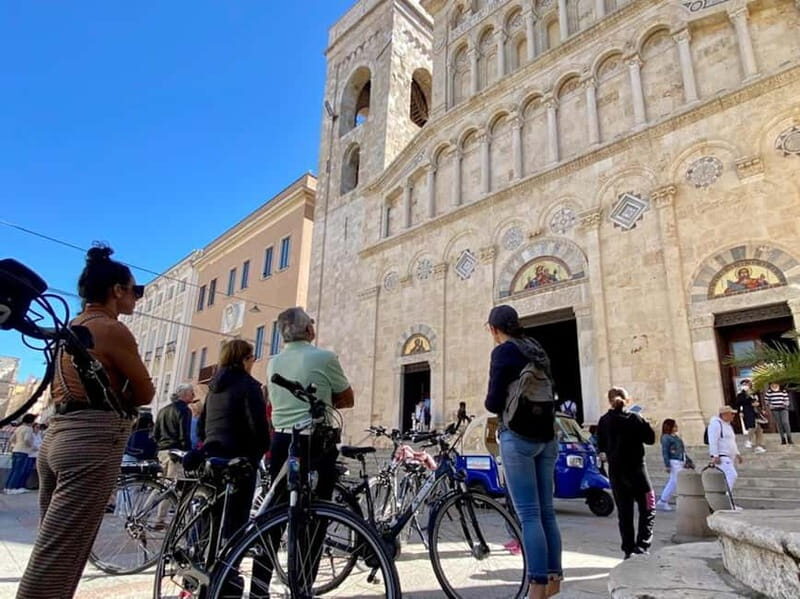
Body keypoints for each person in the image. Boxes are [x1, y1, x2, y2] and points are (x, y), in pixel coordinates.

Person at [17, 245, 154, 599]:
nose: (136, 299)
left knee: (52, 547)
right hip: (90, 440)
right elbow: (145, 391)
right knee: (59, 559)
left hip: (58, 436)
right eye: (134, 290)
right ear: (117, 291)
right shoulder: (111, 329)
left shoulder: (73, 326)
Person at [262, 307, 353, 589]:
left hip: (280, 443)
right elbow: (347, 398)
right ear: (309, 330)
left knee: (274, 516)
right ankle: (302, 586)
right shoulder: (324, 357)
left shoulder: (272, 363)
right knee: (315, 516)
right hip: (315, 443)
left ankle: (259, 586)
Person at [484, 305, 562, 599]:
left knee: (528, 515)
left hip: (517, 437)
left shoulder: (503, 352)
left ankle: (537, 586)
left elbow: (492, 403)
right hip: (547, 436)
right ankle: (554, 579)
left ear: (494, 329)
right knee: (547, 514)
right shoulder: (536, 348)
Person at [198, 339, 269, 539]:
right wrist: (260, 451)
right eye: (252, 358)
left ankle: (204, 558)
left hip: (213, 454)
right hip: (240, 457)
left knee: (212, 513)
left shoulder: (213, 388)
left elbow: (202, 425)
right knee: (237, 518)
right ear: (245, 360)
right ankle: (229, 565)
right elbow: (258, 424)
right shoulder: (249, 386)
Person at [597, 386, 656, 560]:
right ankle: (642, 545)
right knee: (648, 507)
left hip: (616, 472)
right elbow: (650, 439)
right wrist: (644, 421)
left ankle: (628, 548)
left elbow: (601, 445)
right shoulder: (636, 419)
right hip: (637, 471)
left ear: (609, 401)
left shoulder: (604, 421)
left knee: (624, 512)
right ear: (627, 400)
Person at [153, 383, 195, 476]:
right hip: (176, 452)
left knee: (160, 484)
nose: (194, 395)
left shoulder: (162, 410)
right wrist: (188, 452)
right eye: (192, 393)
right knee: (174, 483)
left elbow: (155, 433)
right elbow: (184, 434)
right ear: (186, 394)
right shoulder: (184, 410)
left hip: (162, 451)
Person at [656, 419, 691, 512]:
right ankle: (663, 500)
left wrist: (688, 460)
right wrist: (667, 464)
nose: (676, 427)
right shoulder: (666, 438)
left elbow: (682, 450)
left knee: (674, 481)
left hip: (680, 460)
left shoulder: (676, 437)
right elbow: (665, 452)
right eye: (674, 426)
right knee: (675, 481)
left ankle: (663, 501)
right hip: (674, 461)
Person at [707, 405, 743, 492]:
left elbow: (731, 441)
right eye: (731, 414)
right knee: (732, 475)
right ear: (725, 414)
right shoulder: (716, 424)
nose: (733, 416)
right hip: (722, 455)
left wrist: (737, 453)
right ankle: (726, 498)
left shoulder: (728, 426)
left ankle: (727, 499)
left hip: (730, 456)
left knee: (727, 477)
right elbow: (713, 440)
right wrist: (715, 455)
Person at [3, 414, 36, 495]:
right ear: (31, 421)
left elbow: (12, 439)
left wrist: (17, 444)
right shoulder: (28, 429)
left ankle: (7, 487)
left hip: (16, 450)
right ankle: (13, 488)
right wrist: (31, 446)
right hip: (23, 451)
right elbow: (27, 439)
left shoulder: (19, 428)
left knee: (14, 470)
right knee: (19, 471)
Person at [736, 380, 766, 452]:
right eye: (744, 384)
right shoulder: (741, 395)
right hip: (748, 411)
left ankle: (759, 445)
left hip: (756, 411)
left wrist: (760, 407)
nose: (745, 386)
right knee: (752, 426)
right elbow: (739, 403)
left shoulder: (754, 393)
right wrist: (740, 411)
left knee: (759, 429)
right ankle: (749, 440)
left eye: (747, 384)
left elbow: (759, 401)